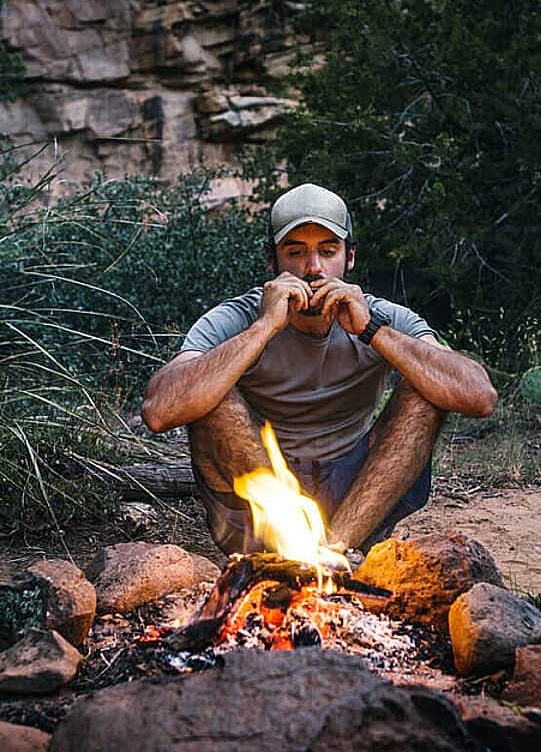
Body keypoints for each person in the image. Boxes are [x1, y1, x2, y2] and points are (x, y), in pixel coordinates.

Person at [141, 183, 497, 554]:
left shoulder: (379, 315)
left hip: (356, 503)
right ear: (271, 261)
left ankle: (329, 555)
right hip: (259, 506)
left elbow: (480, 396)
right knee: (208, 393)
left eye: (328, 252)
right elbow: (159, 411)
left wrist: (371, 330)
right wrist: (263, 328)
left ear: (350, 257)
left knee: (424, 391)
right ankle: (296, 550)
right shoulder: (239, 317)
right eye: (295, 252)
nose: (313, 268)